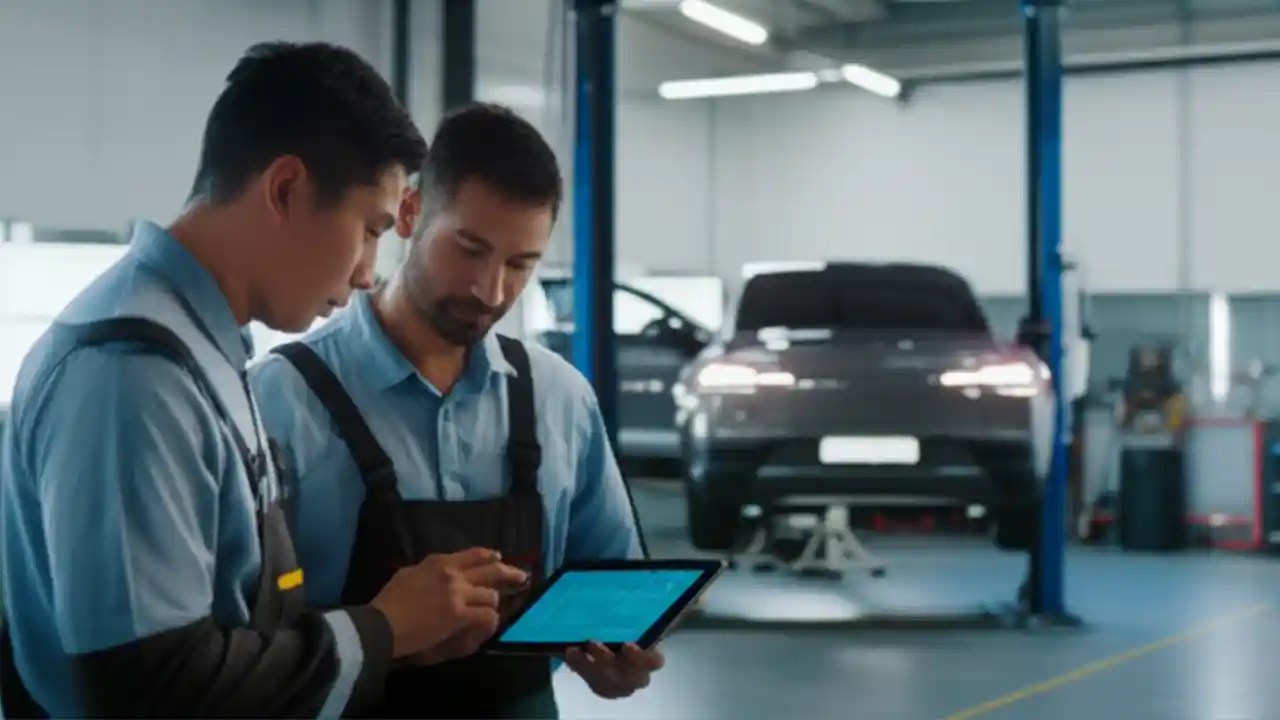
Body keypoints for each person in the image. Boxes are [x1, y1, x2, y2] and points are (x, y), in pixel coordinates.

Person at [0, 42, 526, 718]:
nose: (369, 272)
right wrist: (382, 631)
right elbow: (148, 686)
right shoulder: (134, 379)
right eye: (368, 230)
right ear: (284, 189)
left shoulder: (202, 348)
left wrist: (394, 640)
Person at [248, 102, 664, 719]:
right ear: (411, 213)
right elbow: (236, 639)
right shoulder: (279, 399)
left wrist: (621, 657)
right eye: (470, 250)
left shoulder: (561, 398)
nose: (490, 290)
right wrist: (385, 631)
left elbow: (614, 578)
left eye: (521, 264)